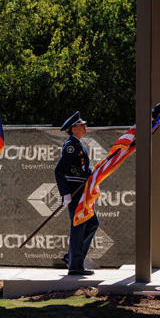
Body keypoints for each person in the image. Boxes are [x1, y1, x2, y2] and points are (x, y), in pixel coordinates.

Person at [54, 111, 97, 276]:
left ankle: (73, 257)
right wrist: (65, 194)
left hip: (82, 192)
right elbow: (59, 171)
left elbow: (81, 169)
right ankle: (75, 266)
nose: (85, 126)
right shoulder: (71, 146)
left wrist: (92, 171)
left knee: (92, 223)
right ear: (74, 129)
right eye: (81, 125)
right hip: (75, 192)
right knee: (79, 227)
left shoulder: (78, 144)